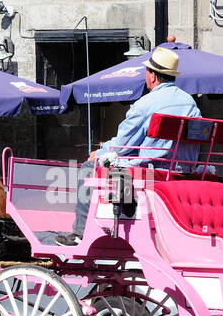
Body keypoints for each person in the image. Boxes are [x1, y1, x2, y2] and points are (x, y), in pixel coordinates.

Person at [56, 46, 200, 246]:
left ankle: (80, 231)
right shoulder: (190, 103)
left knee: (89, 168)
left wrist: (100, 152)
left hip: (152, 171)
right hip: (183, 170)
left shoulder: (145, 104)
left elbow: (122, 146)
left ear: (152, 76)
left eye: (147, 72)